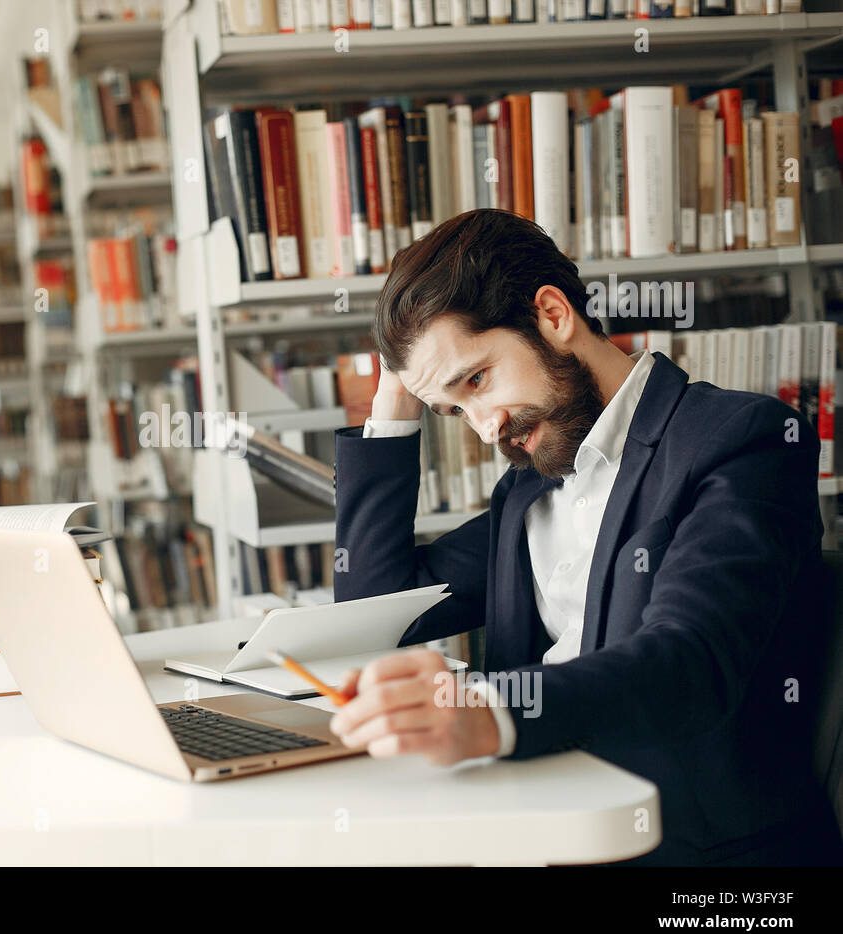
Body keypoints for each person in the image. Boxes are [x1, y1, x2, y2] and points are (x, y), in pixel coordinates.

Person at [327, 208, 842, 865]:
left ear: (552, 314)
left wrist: (489, 710)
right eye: (454, 410)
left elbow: (690, 663)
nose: (485, 428)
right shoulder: (528, 488)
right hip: (537, 834)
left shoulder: (739, 441)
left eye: (477, 380)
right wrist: (394, 411)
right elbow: (373, 608)